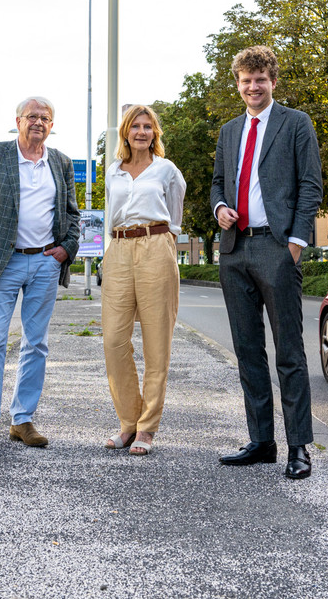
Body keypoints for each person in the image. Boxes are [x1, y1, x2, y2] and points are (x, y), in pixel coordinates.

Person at [211, 45, 323, 480]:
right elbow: (218, 182)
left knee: (289, 352)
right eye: (246, 80)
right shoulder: (229, 131)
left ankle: (299, 447)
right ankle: (261, 442)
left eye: (260, 79)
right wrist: (220, 207)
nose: (253, 87)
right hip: (234, 249)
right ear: (238, 84)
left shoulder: (296, 123)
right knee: (247, 351)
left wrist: (295, 243)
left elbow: (310, 184)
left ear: (273, 82)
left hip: (277, 247)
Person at [0, 96, 80, 456]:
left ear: (52, 125)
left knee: (36, 343)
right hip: (4, 262)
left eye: (45, 118)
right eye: (32, 116)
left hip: (45, 262)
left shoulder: (60, 162)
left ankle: (22, 420)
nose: (38, 122)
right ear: (18, 121)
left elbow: (72, 214)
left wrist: (67, 248)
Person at [101, 105, 186, 457]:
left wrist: (162, 244)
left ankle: (146, 427)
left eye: (147, 126)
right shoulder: (113, 171)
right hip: (119, 248)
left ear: (155, 133)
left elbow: (175, 216)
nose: (141, 132)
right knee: (113, 341)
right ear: (125, 131)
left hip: (156, 245)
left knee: (156, 344)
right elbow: (111, 214)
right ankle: (128, 421)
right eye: (135, 126)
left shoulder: (167, 170)